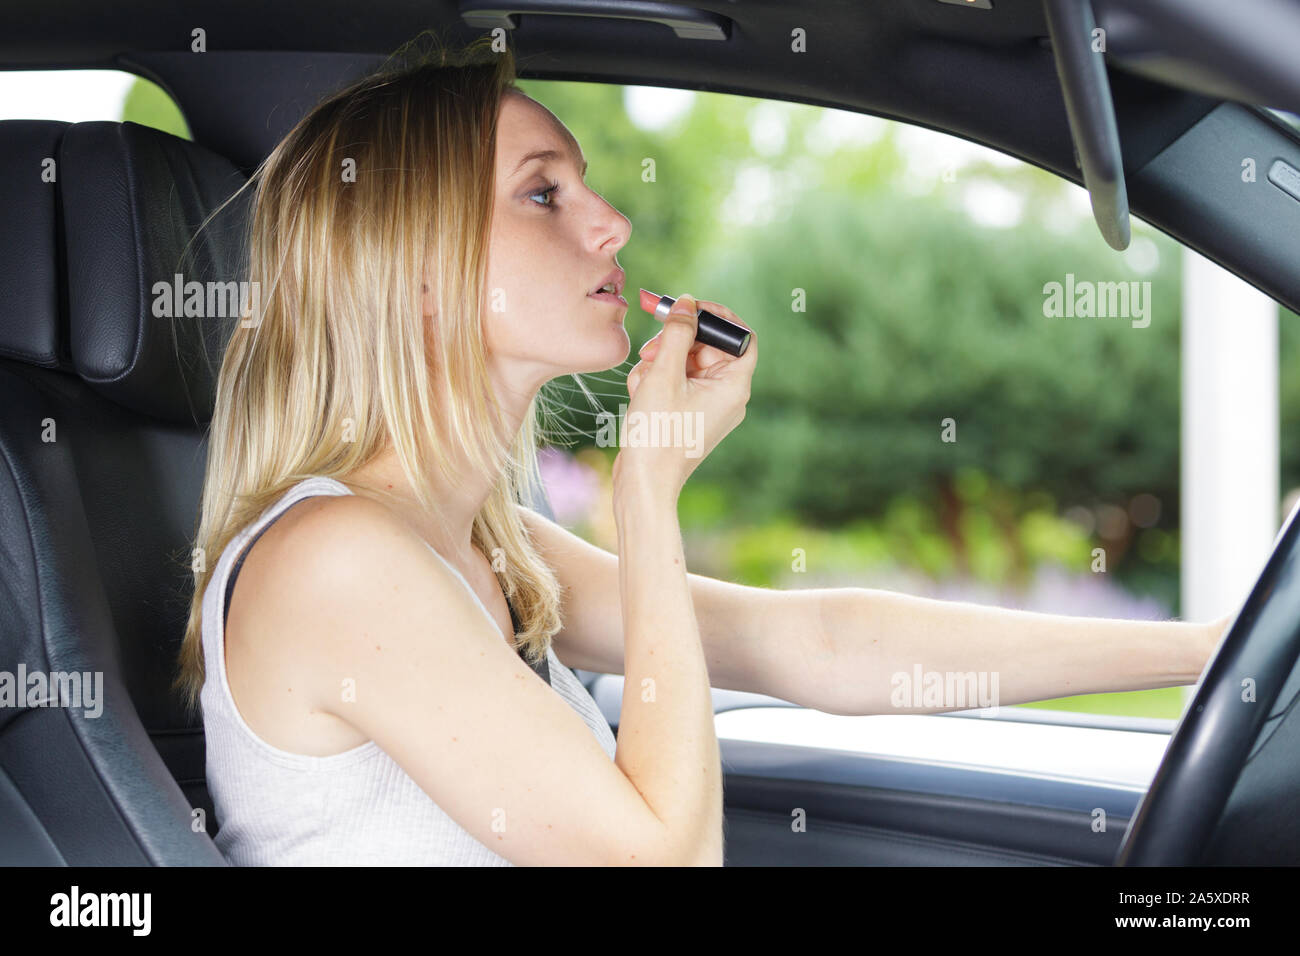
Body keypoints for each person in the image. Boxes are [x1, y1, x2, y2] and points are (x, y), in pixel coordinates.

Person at [172, 32, 1225, 867]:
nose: (614, 223)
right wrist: (646, 487)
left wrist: (1204, 653)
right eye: (545, 193)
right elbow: (664, 854)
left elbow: (821, 645)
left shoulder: (478, 541)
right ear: (419, 275)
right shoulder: (336, 561)